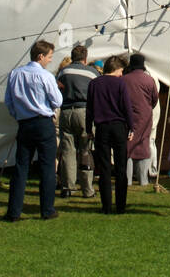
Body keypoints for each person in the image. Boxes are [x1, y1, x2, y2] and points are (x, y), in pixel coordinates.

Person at [3, 40, 62, 221]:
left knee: (21, 168)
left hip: (25, 123)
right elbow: (57, 101)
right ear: (41, 56)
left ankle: (14, 211)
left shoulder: (15, 74)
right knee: (47, 166)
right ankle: (47, 209)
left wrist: (18, 114)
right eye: (49, 57)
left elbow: (9, 101)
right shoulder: (45, 76)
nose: (50, 61)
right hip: (43, 122)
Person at [86, 54, 133, 214]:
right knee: (121, 168)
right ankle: (120, 206)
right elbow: (127, 107)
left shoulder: (94, 84)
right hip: (119, 127)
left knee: (104, 168)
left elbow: (90, 108)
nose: (122, 74)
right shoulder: (121, 84)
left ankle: (106, 205)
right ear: (116, 69)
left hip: (102, 127)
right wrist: (131, 127)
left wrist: (88, 128)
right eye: (121, 70)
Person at [56, 44, 99, 198]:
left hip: (66, 111)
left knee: (68, 150)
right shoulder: (92, 73)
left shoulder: (63, 72)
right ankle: (87, 189)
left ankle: (68, 187)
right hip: (84, 112)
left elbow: (57, 88)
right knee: (85, 150)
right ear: (85, 59)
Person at [122, 53, 159, 187]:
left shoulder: (124, 79)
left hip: (127, 116)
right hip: (145, 116)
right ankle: (143, 180)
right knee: (143, 145)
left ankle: (128, 180)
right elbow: (155, 99)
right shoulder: (149, 80)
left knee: (128, 146)